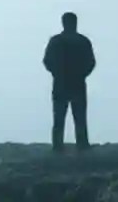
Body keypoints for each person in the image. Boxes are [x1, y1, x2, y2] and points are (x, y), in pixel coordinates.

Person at [42, 11, 95, 152]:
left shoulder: (57, 41)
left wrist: (58, 73)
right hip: (74, 84)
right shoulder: (82, 41)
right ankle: (79, 146)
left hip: (64, 84)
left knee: (64, 118)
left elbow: (47, 61)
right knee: (75, 118)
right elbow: (90, 62)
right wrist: (81, 74)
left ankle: (60, 147)